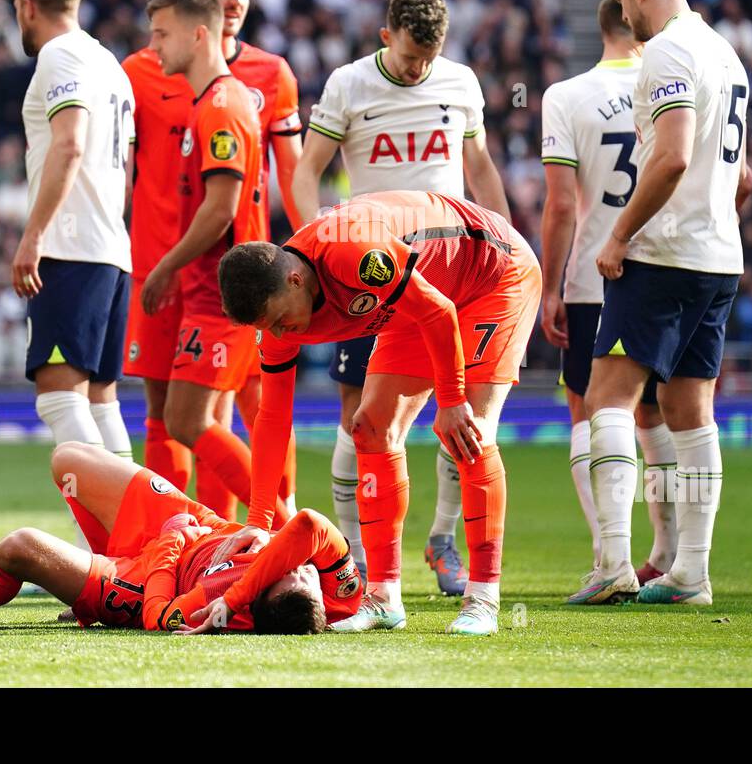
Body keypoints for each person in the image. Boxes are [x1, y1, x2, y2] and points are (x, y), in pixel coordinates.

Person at [214, 190, 542, 636]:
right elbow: (272, 417)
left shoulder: (354, 253)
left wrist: (450, 400)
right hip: (420, 301)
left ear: (294, 279)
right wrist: (257, 521)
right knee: (370, 429)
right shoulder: (277, 321)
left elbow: (439, 312)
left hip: (493, 273)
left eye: (278, 320)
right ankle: (385, 596)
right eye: (267, 328)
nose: (278, 333)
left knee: (470, 433)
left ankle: (483, 598)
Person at [291, 0, 509, 594]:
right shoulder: (348, 85)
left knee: (455, 406)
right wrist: (314, 249)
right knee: (359, 418)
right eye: (411, 57)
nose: (419, 70)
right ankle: (355, 559)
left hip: (449, 268)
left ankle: (442, 542)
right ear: (386, 35)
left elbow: (481, 165)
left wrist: (505, 234)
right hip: (368, 270)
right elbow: (306, 171)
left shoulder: (460, 82)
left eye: (429, 59)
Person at [579, 0, 749, 606]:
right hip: (717, 256)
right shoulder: (724, 51)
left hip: (664, 251)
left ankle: (614, 564)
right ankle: (692, 573)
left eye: (623, 0)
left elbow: (673, 156)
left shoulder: (671, 51)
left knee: (608, 397)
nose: (625, 13)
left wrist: (620, 233)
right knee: (688, 410)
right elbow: (744, 173)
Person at [123, 0, 301, 519]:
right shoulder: (164, 83)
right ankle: (203, 538)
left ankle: (277, 525)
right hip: (183, 272)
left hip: (216, 284)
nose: (155, 47)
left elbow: (223, 206)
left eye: (162, 35)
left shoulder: (232, 99)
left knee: (212, 415)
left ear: (193, 32)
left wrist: (170, 265)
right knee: (178, 416)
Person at [0, 443, 361, 633]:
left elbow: (160, 616)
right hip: (193, 520)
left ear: (263, 600)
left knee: (19, 546)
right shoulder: (335, 599)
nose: (299, 566)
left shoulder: (216, 608)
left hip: (145, 576)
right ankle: (85, 583)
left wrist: (170, 546)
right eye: (304, 574)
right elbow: (312, 527)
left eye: (287, 576)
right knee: (67, 460)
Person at [539, 0, 679, 600]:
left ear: (601, 28)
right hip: (673, 265)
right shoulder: (677, 82)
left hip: (597, 275)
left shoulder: (567, 95)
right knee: (661, 413)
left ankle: (608, 555)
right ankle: (671, 554)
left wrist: (549, 285)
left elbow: (564, 204)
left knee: (591, 410)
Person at [11, 0, 136, 504]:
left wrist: (34, 235)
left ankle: (105, 554)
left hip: (70, 247)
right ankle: (139, 543)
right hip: (109, 246)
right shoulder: (111, 63)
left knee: (60, 401)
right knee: (101, 401)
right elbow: (124, 167)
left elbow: (70, 143)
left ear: (26, 5)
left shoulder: (59, 54)